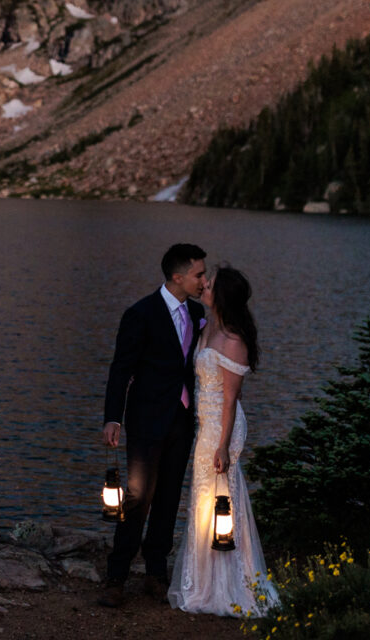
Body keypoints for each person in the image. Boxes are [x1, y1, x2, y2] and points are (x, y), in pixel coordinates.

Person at [98, 243, 208, 607]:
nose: (203, 280)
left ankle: (156, 571)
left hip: (182, 420)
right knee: (137, 497)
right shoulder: (140, 314)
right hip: (146, 421)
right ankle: (117, 575)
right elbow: (121, 369)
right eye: (198, 274)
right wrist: (112, 417)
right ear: (178, 277)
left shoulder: (197, 312)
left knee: (169, 497)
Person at [168, 265, 280, 617]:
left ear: (223, 295)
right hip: (205, 424)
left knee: (219, 498)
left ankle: (228, 584)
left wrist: (222, 446)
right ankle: (202, 581)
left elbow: (231, 400)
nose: (204, 286)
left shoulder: (234, 340)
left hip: (222, 428)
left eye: (210, 284)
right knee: (202, 500)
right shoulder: (207, 325)